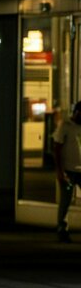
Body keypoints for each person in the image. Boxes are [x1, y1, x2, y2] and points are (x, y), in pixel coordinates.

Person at [53, 99, 80, 242]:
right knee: (66, 200)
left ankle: (63, 228)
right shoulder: (66, 126)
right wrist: (60, 171)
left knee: (66, 200)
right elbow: (57, 148)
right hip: (69, 170)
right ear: (76, 112)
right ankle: (62, 229)